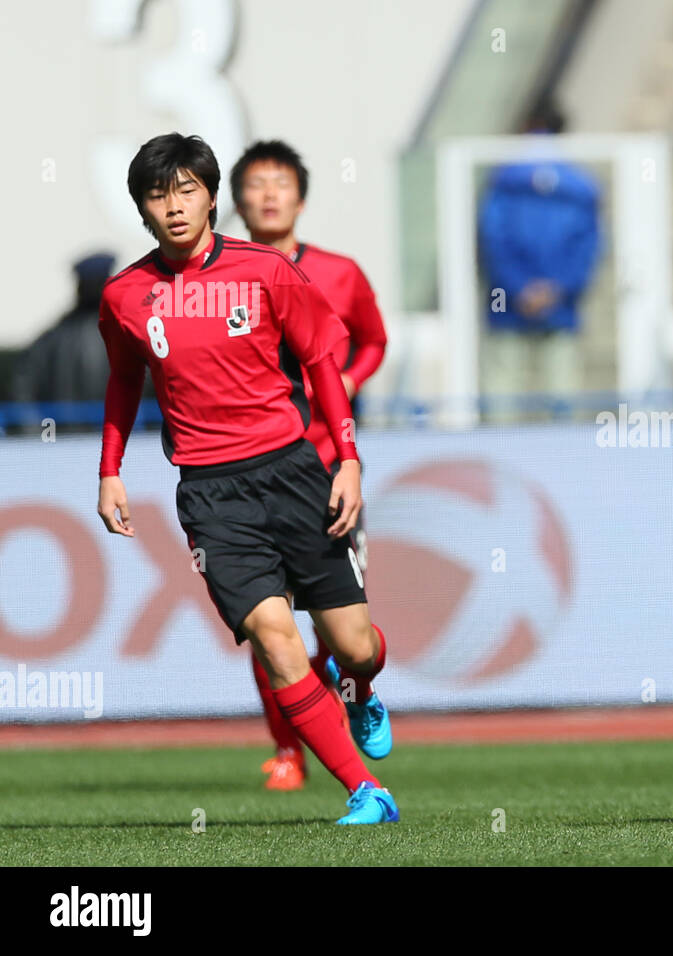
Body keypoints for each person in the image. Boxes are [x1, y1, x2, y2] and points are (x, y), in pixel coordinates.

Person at [96, 132, 397, 825]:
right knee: (274, 636)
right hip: (209, 492)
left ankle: (362, 688)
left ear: (209, 197)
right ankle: (366, 793)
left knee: (353, 645)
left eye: (186, 190)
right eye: (156, 194)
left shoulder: (264, 270)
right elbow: (123, 379)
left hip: (294, 471)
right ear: (141, 209)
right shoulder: (124, 296)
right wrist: (109, 471)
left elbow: (322, 357)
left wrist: (347, 459)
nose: (173, 206)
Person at [230, 139, 390, 790]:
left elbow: (375, 339)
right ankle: (288, 750)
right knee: (269, 622)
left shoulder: (340, 273)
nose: (269, 194)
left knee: (345, 632)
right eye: (257, 184)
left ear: (301, 195)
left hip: (326, 469)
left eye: (281, 182)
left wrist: (348, 379)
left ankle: (358, 691)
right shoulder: (216, 282)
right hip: (249, 473)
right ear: (234, 200)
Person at [477, 102, 601, 422]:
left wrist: (518, 288)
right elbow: (587, 246)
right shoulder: (580, 184)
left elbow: (493, 239)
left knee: (503, 399)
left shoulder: (502, 180)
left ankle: (499, 460)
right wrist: (557, 288)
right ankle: (563, 465)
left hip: (507, 306)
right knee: (562, 398)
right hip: (559, 307)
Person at [11, 253, 118, 415]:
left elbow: (22, 393)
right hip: (123, 437)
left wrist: (44, 436)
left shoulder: (53, 337)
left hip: (68, 437)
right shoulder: (131, 334)